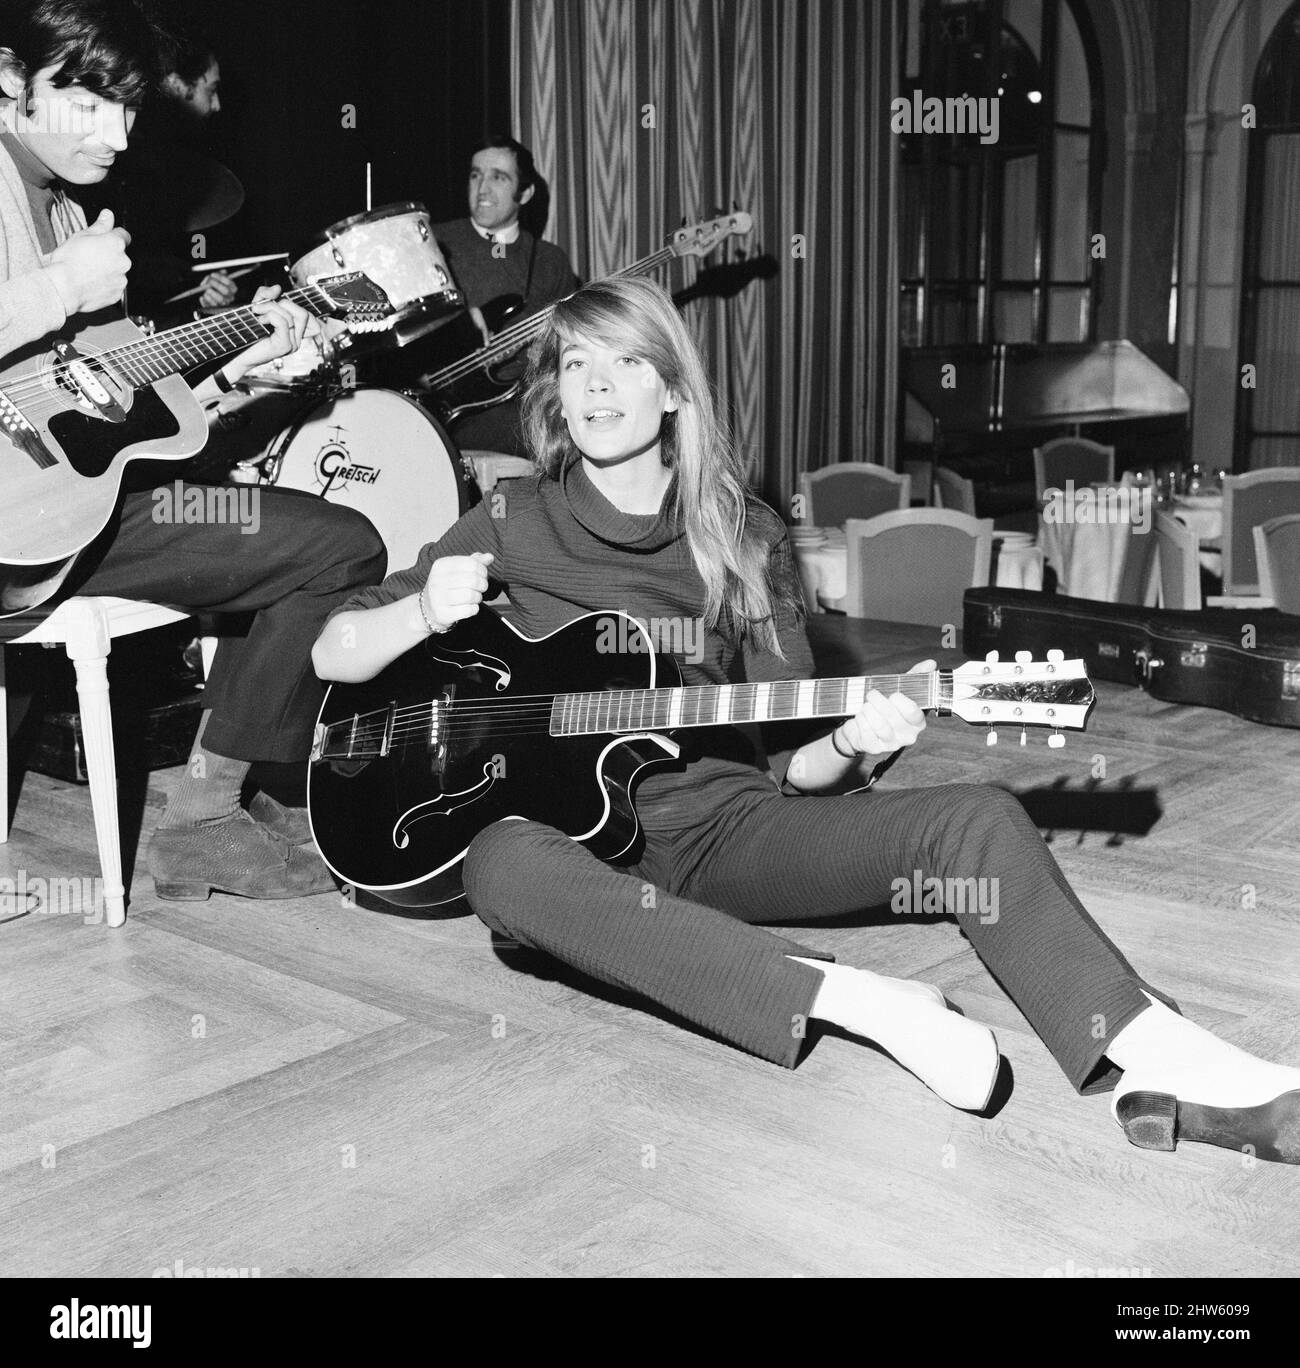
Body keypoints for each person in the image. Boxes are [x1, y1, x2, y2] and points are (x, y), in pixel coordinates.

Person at [314, 275, 1300, 1164]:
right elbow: (333, 654)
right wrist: (420, 609)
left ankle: (1151, 1055)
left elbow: (791, 773)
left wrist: (851, 744)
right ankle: (866, 1004)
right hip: (569, 855)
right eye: (578, 365)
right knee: (501, 868)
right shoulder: (509, 521)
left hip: (727, 831)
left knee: (977, 819)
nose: (601, 387)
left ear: (671, 390)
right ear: (556, 395)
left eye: (626, 363)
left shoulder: (746, 539)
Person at [0, 0, 386, 899]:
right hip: (29, 538)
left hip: (75, 520)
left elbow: (112, 411)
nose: (120, 136)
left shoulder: (58, 205)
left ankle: (219, 802)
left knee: (335, 538)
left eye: (131, 109)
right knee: (340, 548)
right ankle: (207, 818)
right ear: (12, 80)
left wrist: (246, 375)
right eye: (92, 102)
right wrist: (63, 288)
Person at [430, 135, 578, 457]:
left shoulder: (550, 261)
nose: (482, 188)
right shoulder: (436, 242)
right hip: (430, 410)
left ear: (524, 193)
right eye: (475, 175)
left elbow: (571, 350)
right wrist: (459, 326)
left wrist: (546, 354)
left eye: (498, 177)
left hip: (512, 415)